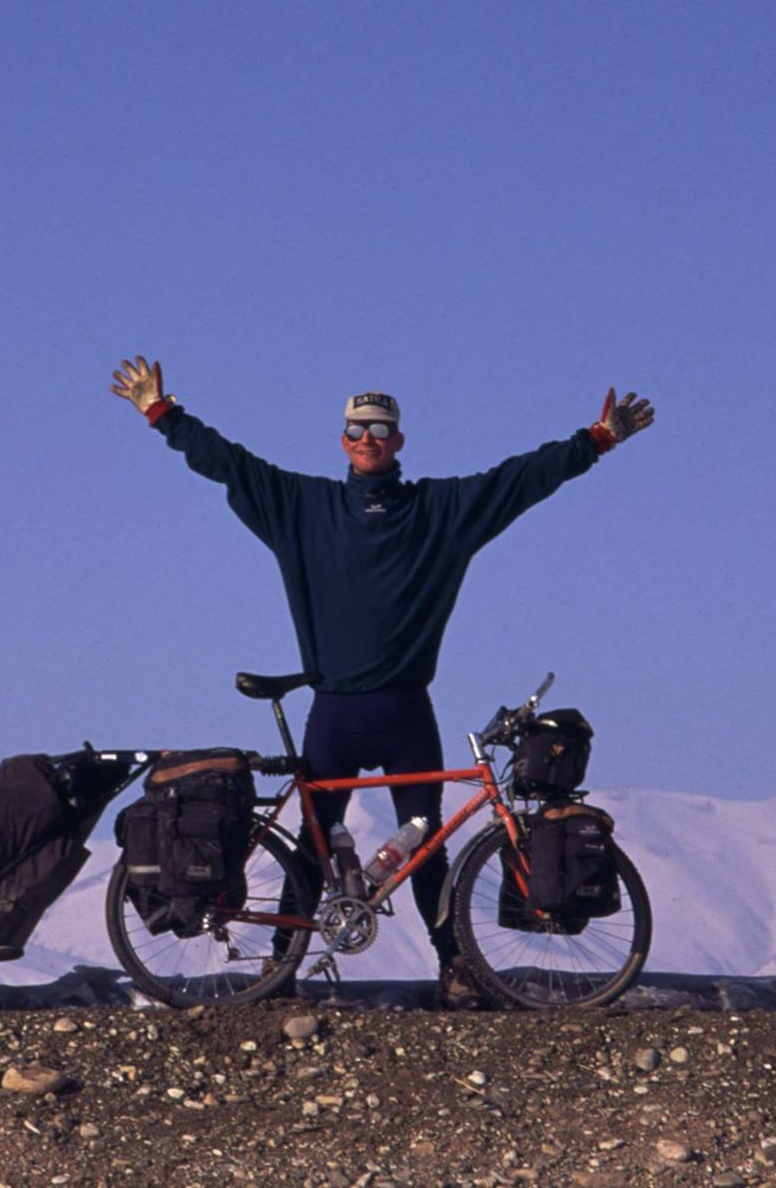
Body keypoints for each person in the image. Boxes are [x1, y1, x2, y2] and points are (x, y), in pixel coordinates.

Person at [108, 355, 654, 1007]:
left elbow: (518, 481)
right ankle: (279, 971)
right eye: (357, 429)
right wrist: (162, 413)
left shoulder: (439, 513)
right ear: (343, 440)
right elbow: (229, 464)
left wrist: (594, 441)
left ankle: (456, 969)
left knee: (426, 847)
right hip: (333, 708)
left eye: (380, 430)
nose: (368, 440)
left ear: (398, 441)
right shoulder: (300, 507)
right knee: (313, 848)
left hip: (405, 709)